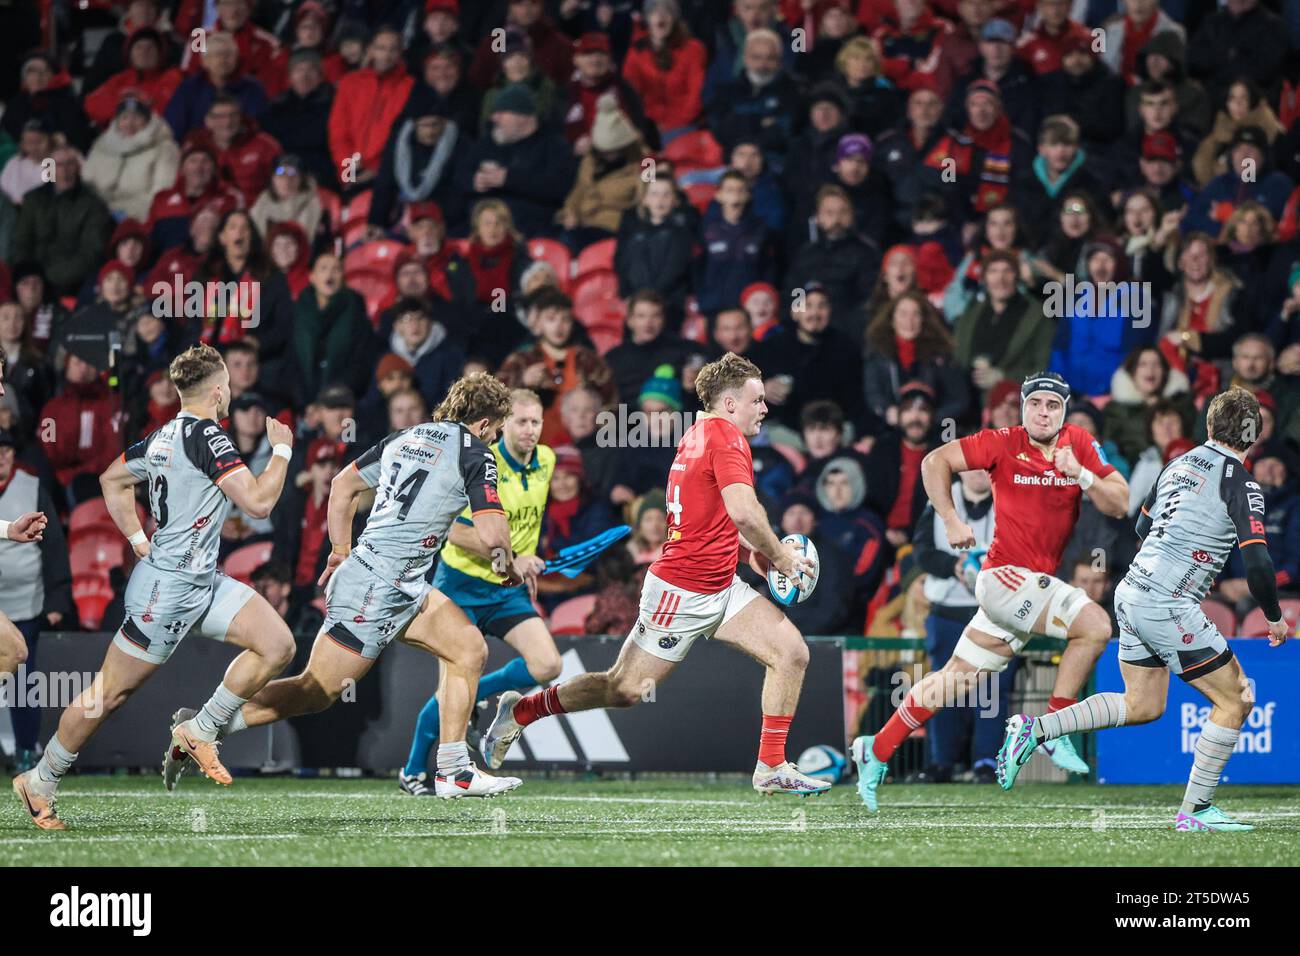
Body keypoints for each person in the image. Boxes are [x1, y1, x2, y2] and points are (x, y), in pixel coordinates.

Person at [480, 352, 831, 796]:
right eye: (756, 399)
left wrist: (754, 558)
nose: (765, 408)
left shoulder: (699, 433)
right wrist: (779, 556)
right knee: (623, 690)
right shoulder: (726, 439)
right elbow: (743, 513)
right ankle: (522, 711)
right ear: (728, 404)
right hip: (680, 593)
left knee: (791, 652)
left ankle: (771, 765)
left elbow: (712, 522)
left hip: (721, 585)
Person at [166, 373, 523, 799]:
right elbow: (491, 530)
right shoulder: (477, 453)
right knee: (314, 691)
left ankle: (454, 771)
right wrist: (507, 562)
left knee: (468, 649)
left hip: (395, 581)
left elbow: (343, 485)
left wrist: (339, 550)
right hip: (376, 590)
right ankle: (205, 723)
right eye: (498, 429)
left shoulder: (406, 436)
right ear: (485, 424)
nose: (497, 437)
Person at [12, 344, 297, 830]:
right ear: (220, 390)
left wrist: (138, 539)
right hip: (164, 596)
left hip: (199, 581)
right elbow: (259, 504)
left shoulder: (163, 436)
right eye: (228, 385)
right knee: (107, 696)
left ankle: (200, 729)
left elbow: (111, 478)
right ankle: (40, 779)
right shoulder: (209, 435)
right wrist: (283, 449)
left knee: (278, 644)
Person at [998, 388, 1289, 832]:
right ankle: (1196, 812)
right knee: (1237, 697)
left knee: (1142, 704)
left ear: (1209, 428)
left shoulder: (1179, 464)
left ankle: (1033, 731)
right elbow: (1258, 563)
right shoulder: (1239, 481)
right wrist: (1274, 616)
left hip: (1131, 591)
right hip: (1166, 600)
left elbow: (1141, 524)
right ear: (1254, 436)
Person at [852, 371, 1131, 811]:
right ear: (1023, 407)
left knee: (956, 679)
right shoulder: (1003, 441)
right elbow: (933, 462)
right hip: (1004, 578)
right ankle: (1050, 728)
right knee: (1095, 625)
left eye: (1052, 406)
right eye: (1035, 403)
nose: (1043, 412)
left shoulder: (1078, 442)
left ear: (1064, 410)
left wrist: (1083, 476)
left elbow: (1120, 502)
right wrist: (950, 519)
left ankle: (877, 748)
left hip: (1026, 590)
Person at [399, 389, 562, 795]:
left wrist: (523, 559)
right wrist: (512, 554)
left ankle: (495, 700)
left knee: (547, 666)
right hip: (460, 585)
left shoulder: (548, 460)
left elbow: (521, 522)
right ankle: (413, 770)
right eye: (521, 422)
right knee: (450, 686)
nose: (530, 430)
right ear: (503, 425)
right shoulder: (480, 461)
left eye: (536, 422)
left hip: (506, 588)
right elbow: (452, 529)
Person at [911, 466, 1005, 783]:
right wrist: (953, 566)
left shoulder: (1010, 498)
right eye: (972, 468)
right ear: (960, 473)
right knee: (943, 686)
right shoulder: (939, 500)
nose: (979, 474)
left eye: (986, 468)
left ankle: (987, 762)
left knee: (991, 691)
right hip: (948, 609)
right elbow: (921, 552)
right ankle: (942, 761)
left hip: (995, 611)